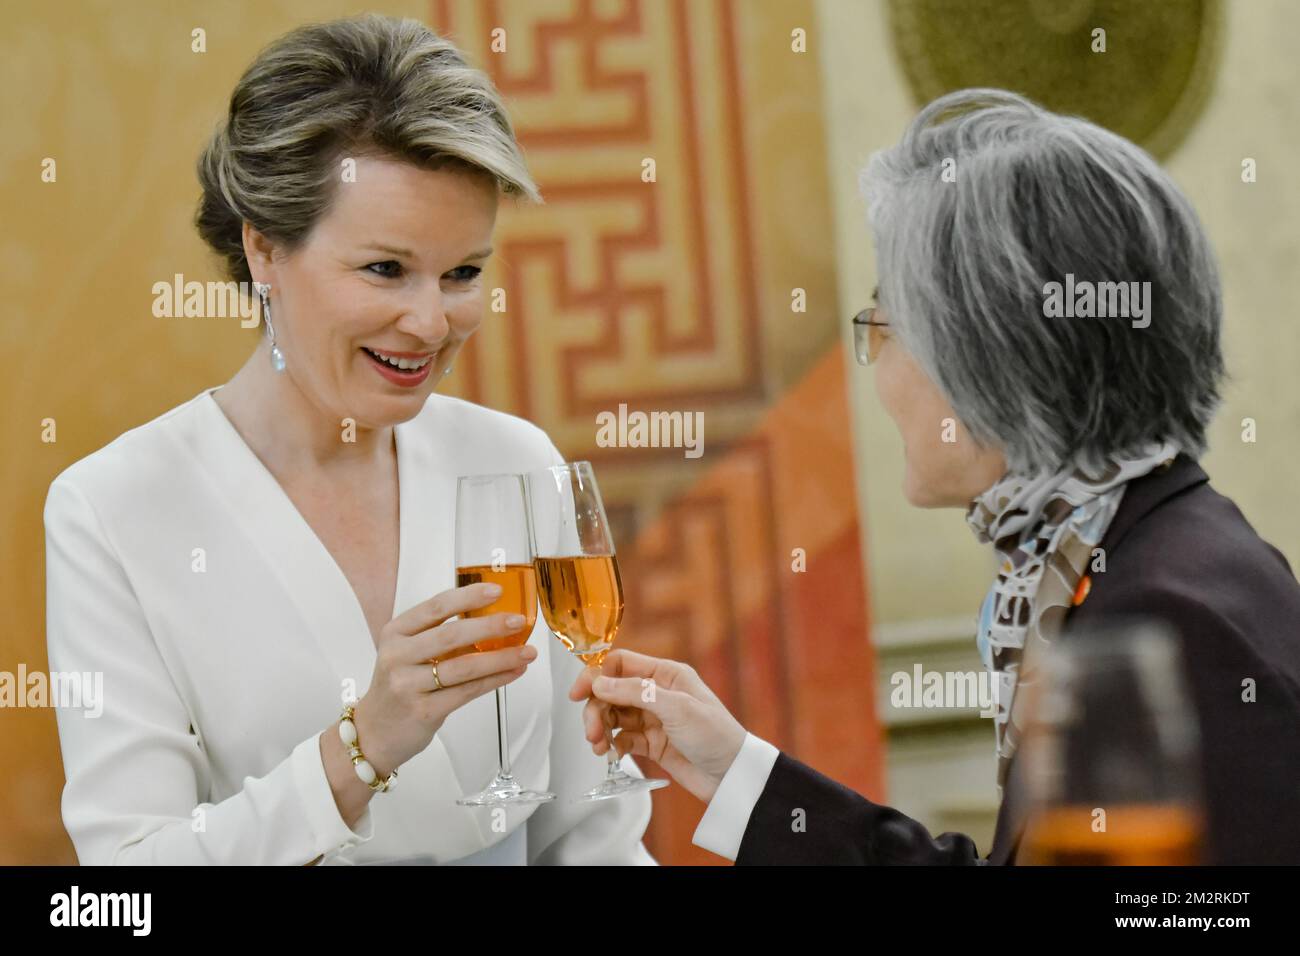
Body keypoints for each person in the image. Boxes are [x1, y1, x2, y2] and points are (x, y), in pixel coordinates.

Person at [570, 89, 1300, 865]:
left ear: (994, 350)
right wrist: (735, 772)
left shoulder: (1168, 620)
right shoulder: (1122, 557)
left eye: (889, 325)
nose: (877, 367)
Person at [44, 14, 654, 866]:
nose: (432, 322)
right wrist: (363, 746)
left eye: (464, 273)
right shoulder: (113, 509)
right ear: (264, 249)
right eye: (385, 269)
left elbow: (596, 841)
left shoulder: (514, 465)